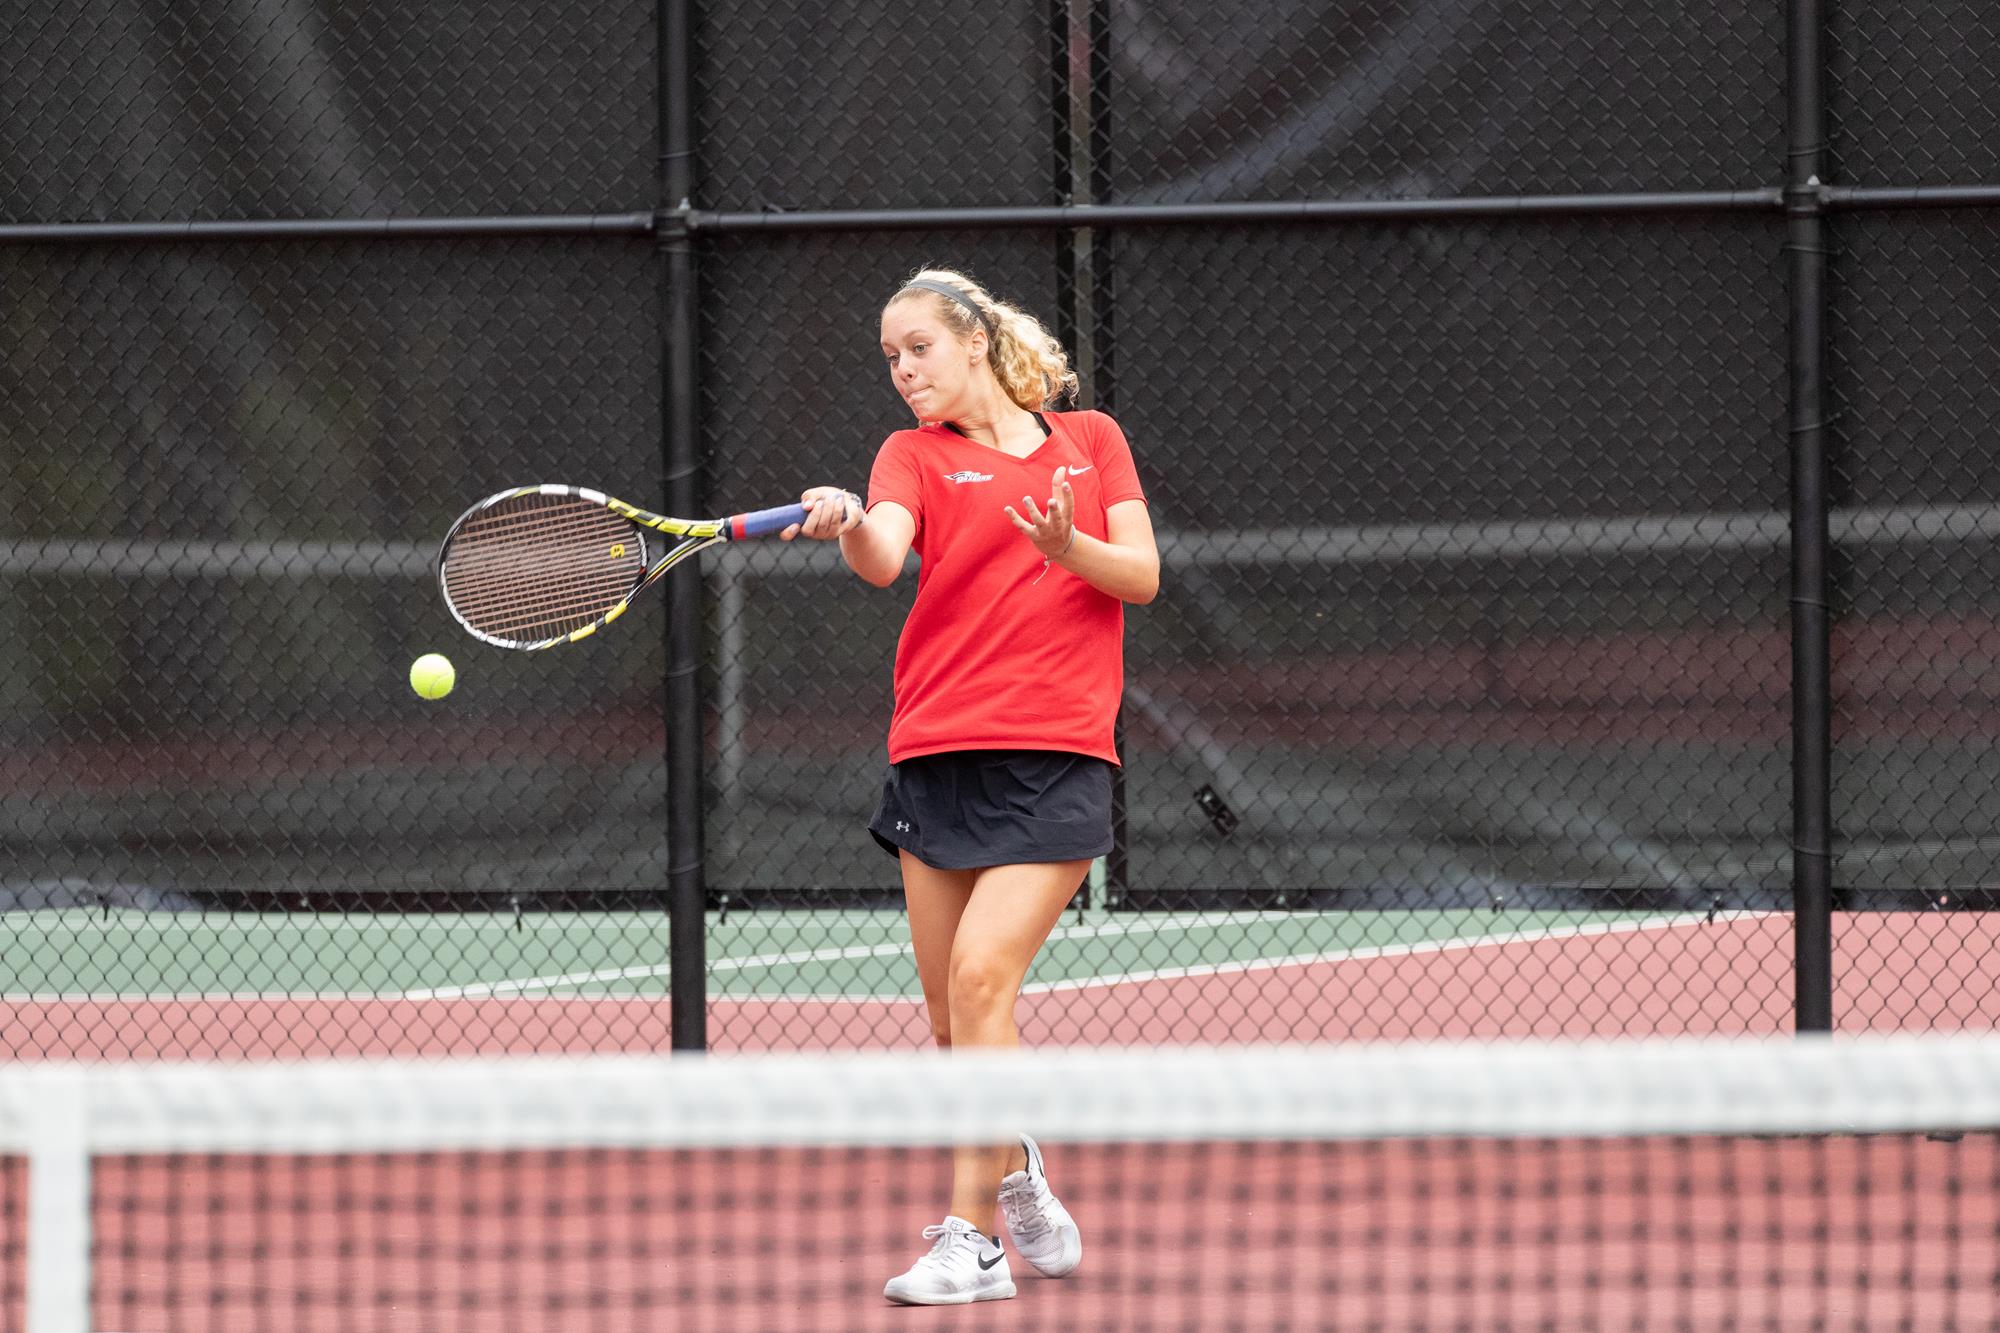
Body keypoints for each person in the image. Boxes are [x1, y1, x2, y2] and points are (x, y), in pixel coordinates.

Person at [785, 267, 1159, 1306]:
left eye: (919, 348)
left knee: (983, 977)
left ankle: (973, 1243)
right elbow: (882, 556)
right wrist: (847, 520)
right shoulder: (910, 454)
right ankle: (1014, 1162)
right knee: (954, 1026)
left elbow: (1141, 574)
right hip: (935, 750)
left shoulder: (1091, 441)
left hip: (1057, 754)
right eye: (889, 358)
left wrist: (1066, 545)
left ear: (976, 341)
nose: (903, 371)